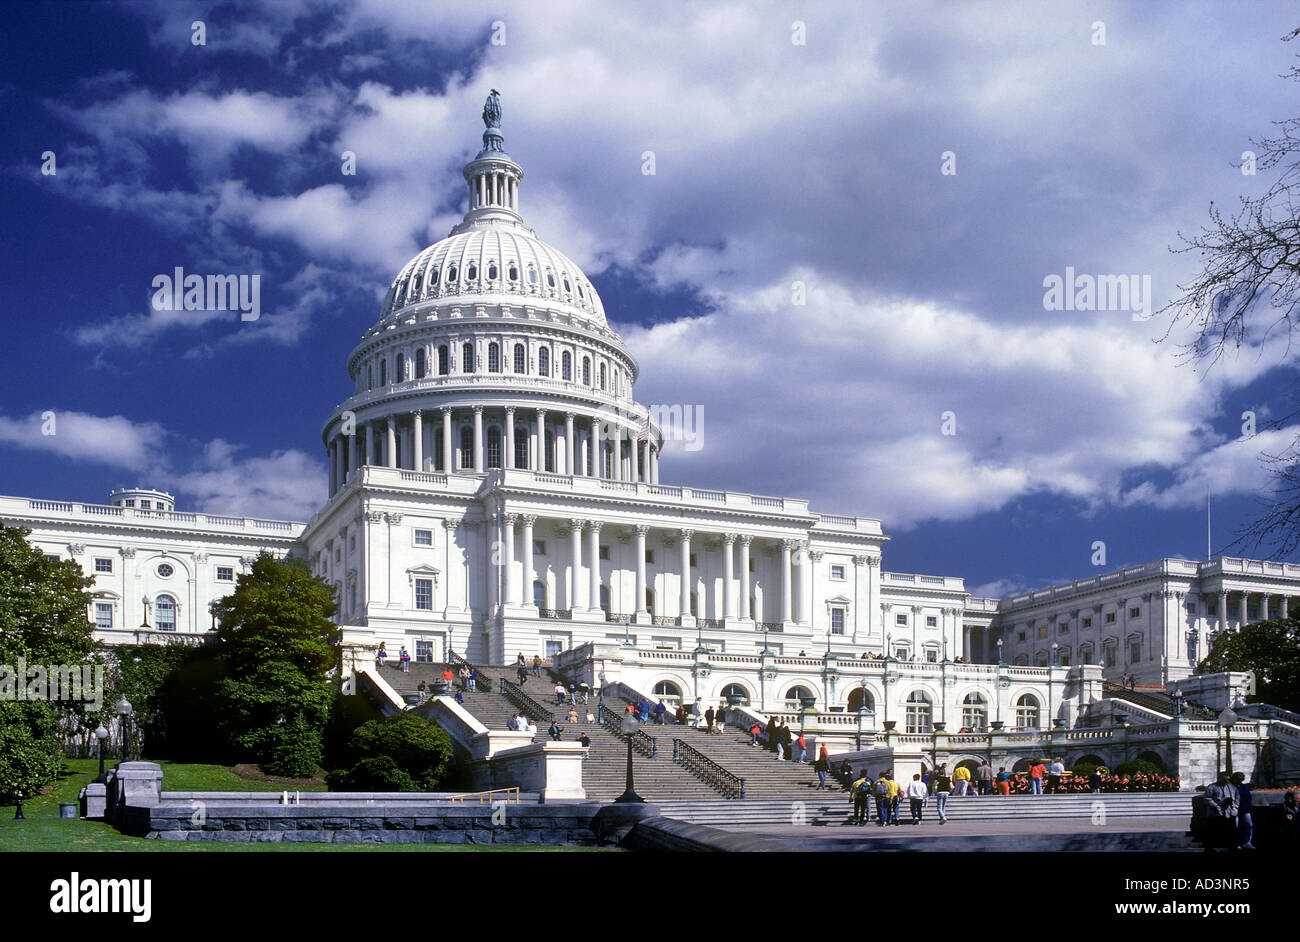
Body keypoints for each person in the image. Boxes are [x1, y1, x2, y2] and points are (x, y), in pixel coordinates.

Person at [1203, 771, 1239, 852]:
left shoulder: (1232, 787)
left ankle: (1231, 846)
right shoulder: (1212, 787)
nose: (1227, 781)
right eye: (1225, 780)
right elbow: (1207, 798)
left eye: (1228, 780)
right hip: (1215, 813)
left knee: (1230, 832)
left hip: (1228, 813)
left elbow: (1237, 797)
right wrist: (1216, 805)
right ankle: (1211, 847)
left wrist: (1235, 807)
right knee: (1213, 832)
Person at [1231, 771, 1255, 850]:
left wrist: (1249, 808)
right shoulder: (1231, 787)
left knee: (1249, 825)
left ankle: (1247, 842)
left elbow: (1248, 798)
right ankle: (1237, 843)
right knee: (1236, 826)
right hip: (1235, 809)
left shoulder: (1244, 787)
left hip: (1244, 809)